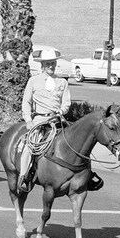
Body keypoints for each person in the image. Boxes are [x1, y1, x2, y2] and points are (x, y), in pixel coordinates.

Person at [17, 49, 72, 192]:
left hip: (57, 119)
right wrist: (28, 120)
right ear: (42, 65)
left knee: (74, 141)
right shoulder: (33, 81)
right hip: (40, 120)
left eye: (53, 63)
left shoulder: (62, 82)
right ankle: (24, 176)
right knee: (31, 146)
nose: (51, 66)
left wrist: (62, 110)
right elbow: (26, 102)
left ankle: (83, 175)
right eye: (48, 64)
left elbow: (66, 102)